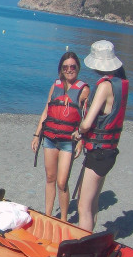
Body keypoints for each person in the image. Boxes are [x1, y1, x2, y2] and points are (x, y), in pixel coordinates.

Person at [72, 40, 129, 232]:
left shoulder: (105, 86)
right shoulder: (121, 83)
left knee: (83, 206)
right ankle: (89, 241)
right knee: (93, 203)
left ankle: (83, 246)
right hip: (109, 151)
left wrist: (79, 131)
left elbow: (87, 123)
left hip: (98, 153)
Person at [31, 52, 90, 220]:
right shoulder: (55, 86)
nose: (69, 70)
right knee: (50, 177)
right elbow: (46, 111)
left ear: (78, 67)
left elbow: (86, 118)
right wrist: (36, 135)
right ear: (61, 69)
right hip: (49, 138)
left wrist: (81, 141)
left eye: (73, 67)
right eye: (66, 67)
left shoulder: (84, 90)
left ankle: (63, 219)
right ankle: (48, 215)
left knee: (62, 182)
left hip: (67, 141)